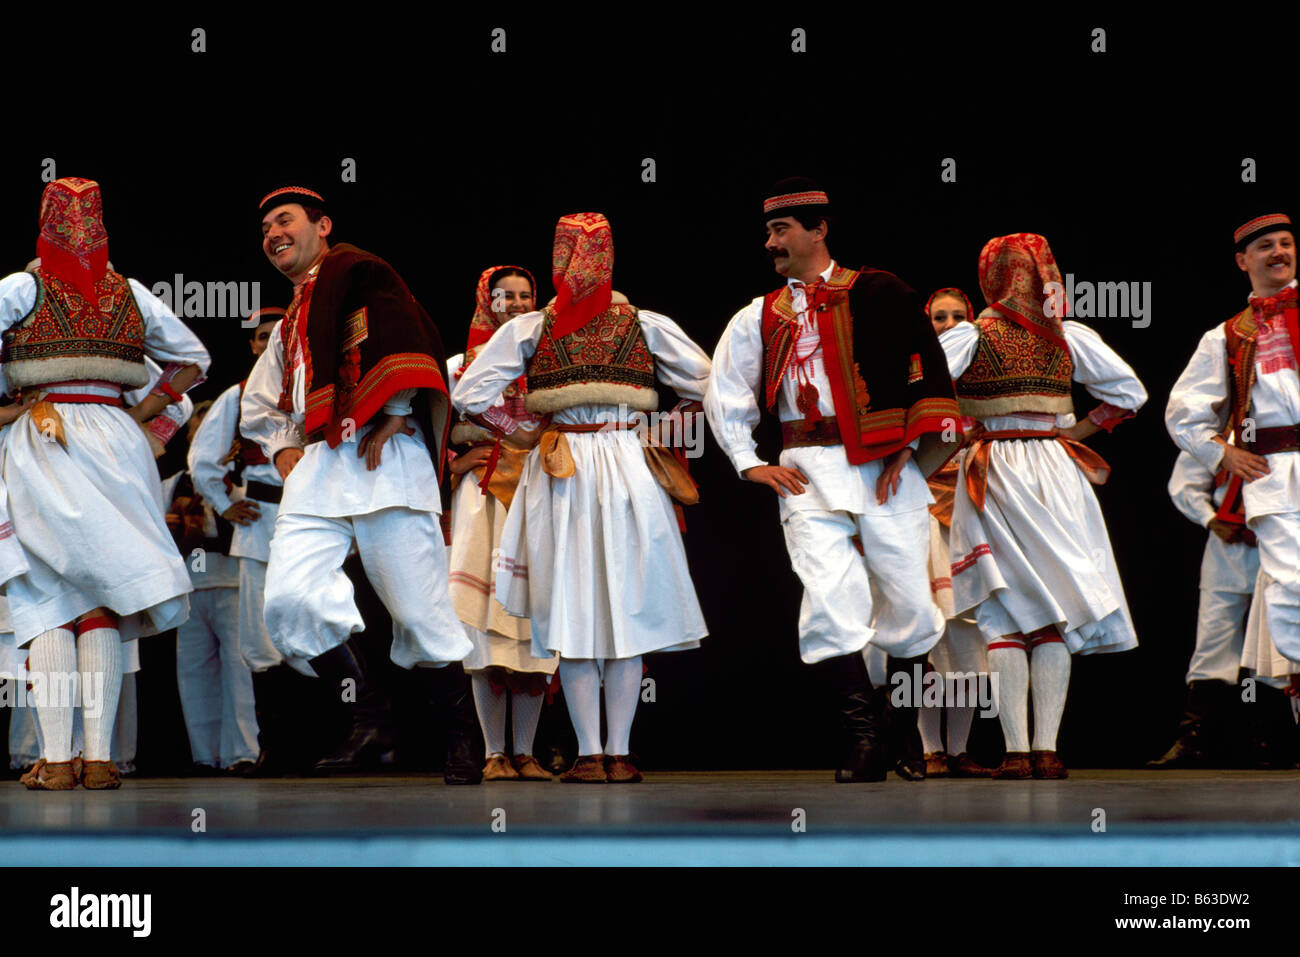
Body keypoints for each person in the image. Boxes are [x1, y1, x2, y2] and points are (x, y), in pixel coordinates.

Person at [704, 179, 962, 782]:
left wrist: (913, 449)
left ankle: (900, 731)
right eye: (768, 231)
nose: (771, 242)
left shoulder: (881, 291)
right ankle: (865, 740)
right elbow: (726, 391)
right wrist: (748, 460)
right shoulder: (758, 315)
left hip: (879, 468)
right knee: (828, 596)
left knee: (909, 603)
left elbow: (928, 372)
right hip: (806, 471)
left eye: (781, 229)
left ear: (819, 230)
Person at [453, 212, 711, 783]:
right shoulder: (610, 323)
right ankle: (602, 753)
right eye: (578, 252)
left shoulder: (592, 324)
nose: (583, 264)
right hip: (590, 463)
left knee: (601, 608)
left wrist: (515, 429)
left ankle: (604, 753)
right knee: (594, 607)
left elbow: (470, 391)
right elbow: (707, 384)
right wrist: (518, 431)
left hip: (589, 461)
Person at [241, 186, 480, 782]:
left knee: (419, 610)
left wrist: (398, 408)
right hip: (320, 465)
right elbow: (260, 402)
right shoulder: (288, 323)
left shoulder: (359, 273)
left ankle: (459, 732)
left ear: (323, 225)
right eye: (266, 226)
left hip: (383, 459)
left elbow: (405, 333)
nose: (273, 233)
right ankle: (369, 714)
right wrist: (283, 446)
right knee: (288, 602)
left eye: (285, 220)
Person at [0, 177, 209, 791]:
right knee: (103, 603)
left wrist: (9, 402)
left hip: (47, 430)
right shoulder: (131, 292)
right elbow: (194, 359)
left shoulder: (22, 286)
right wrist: (149, 422)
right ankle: (99, 759)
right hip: (118, 442)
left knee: (47, 599)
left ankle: (59, 761)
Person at [941, 233, 1146, 779]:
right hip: (1054, 470)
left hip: (994, 467)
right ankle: (1046, 750)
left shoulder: (969, 334)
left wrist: (959, 430)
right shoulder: (1069, 336)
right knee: (1052, 607)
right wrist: (1075, 430)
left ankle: (1014, 751)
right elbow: (1130, 393)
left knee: (1005, 611)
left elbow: (924, 385)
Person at [1166, 213, 1300, 698]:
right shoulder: (1226, 336)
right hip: (1277, 473)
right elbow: (1184, 414)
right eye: (1266, 246)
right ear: (1243, 261)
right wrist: (1223, 454)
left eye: (1286, 243)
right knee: (1290, 591)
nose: (1280, 252)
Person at [188, 306, 317, 776]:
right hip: (261, 522)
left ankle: (322, 740)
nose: (268, 344)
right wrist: (225, 508)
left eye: (278, 336)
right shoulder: (239, 396)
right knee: (262, 643)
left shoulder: (317, 391)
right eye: (262, 337)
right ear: (252, 345)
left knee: (317, 629)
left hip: (314, 523)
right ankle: (277, 748)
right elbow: (202, 459)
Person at [447, 265, 558, 781]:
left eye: (524, 295)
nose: (515, 303)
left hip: (538, 495)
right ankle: (494, 753)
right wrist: (454, 463)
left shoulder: (552, 361)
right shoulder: (455, 367)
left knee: (534, 631)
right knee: (486, 632)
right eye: (504, 295)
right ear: (484, 300)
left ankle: (527, 752)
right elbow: (426, 438)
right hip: (482, 501)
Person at [1149, 449, 1295, 767]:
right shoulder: (1215, 436)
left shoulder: (1286, 431)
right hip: (1226, 546)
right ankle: (1194, 739)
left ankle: (1270, 739)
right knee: (1213, 642)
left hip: (1278, 545)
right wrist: (1210, 519)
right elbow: (1184, 484)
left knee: (1273, 644)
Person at [919, 288, 992, 777]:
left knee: (970, 634)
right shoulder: (915, 378)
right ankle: (929, 749)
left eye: (958, 316)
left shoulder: (988, 380)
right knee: (928, 633)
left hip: (972, 509)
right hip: (922, 511)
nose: (948, 323)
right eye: (939, 317)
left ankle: (960, 748)